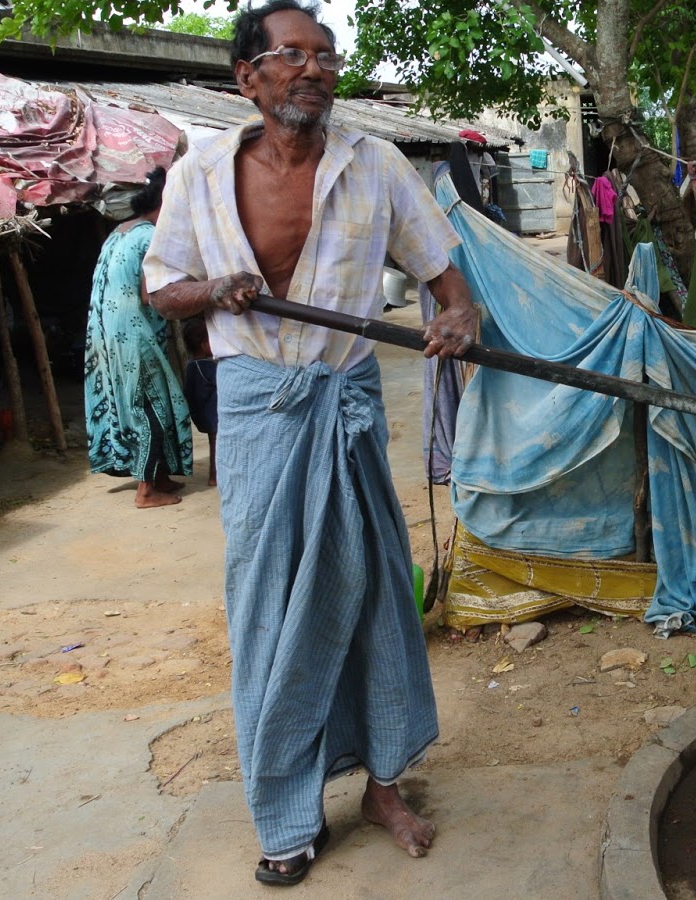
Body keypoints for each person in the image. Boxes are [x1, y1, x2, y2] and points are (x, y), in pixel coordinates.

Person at [142, 0, 479, 885]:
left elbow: (442, 270)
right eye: (292, 54)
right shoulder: (202, 173)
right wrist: (218, 286)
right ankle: (286, 812)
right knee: (269, 605)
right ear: (246, 76)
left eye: (326, 56)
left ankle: (384, 783)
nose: (316, 69)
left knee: (370, 592)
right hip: (256, 406)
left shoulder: (377, 165)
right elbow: (163, 288)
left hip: (346, 397)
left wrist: (458, 312)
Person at [83, 167, 192, 508]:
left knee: (135, 403)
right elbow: (151, 295)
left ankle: (159, 476)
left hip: (105, 334)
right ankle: (146, 491)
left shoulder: (120, 232)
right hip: (134, 336)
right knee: (151, 406)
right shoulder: (151, 237)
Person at [180, 319, 218, 486]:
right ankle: (215, 476)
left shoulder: (190, 366)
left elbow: (188, 393)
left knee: (214, 444)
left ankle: (214, 475)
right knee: (217, 446)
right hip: (214, 415)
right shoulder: (209, 366)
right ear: (204, 344)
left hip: (201, 414)